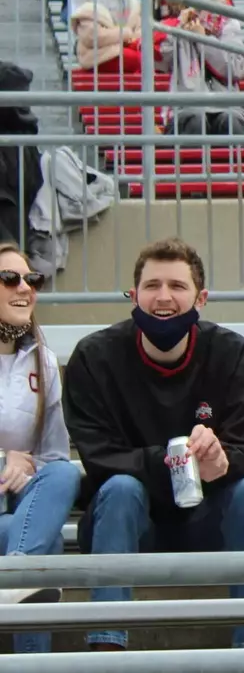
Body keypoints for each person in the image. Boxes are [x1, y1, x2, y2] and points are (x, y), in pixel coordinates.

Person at [63, 238, 244, 651]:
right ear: (133, 295)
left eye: (177, 286)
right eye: (151, 285)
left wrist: (222, 463)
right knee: (121, 489)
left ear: (202, 297)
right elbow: (99, 456)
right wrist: (176, 463)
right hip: (125, 526)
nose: (163, 297)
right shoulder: (93, 357)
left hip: (207, 524)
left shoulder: (231, 354)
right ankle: (107, 646)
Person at [0, 245, 78, 656]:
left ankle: (13, 579)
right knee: (43, 546)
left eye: (32, 279)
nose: (23, 288)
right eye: (9, 278)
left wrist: (25, 469)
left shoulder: (43, 361)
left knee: (65, 475)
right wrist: (3, 460)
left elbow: (54, 456)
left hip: (23, 502)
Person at [159, 0, 244, 136]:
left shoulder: (230, 29)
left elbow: (233, 69)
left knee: (230, 121)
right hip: (186, 104)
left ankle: (236, 165)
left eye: (217, 11)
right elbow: (161, 58)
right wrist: (179, 27)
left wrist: (204, 40)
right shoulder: (183, 28)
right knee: (195, 119)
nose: (211, 17)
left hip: (227, 103)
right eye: (205, 10)